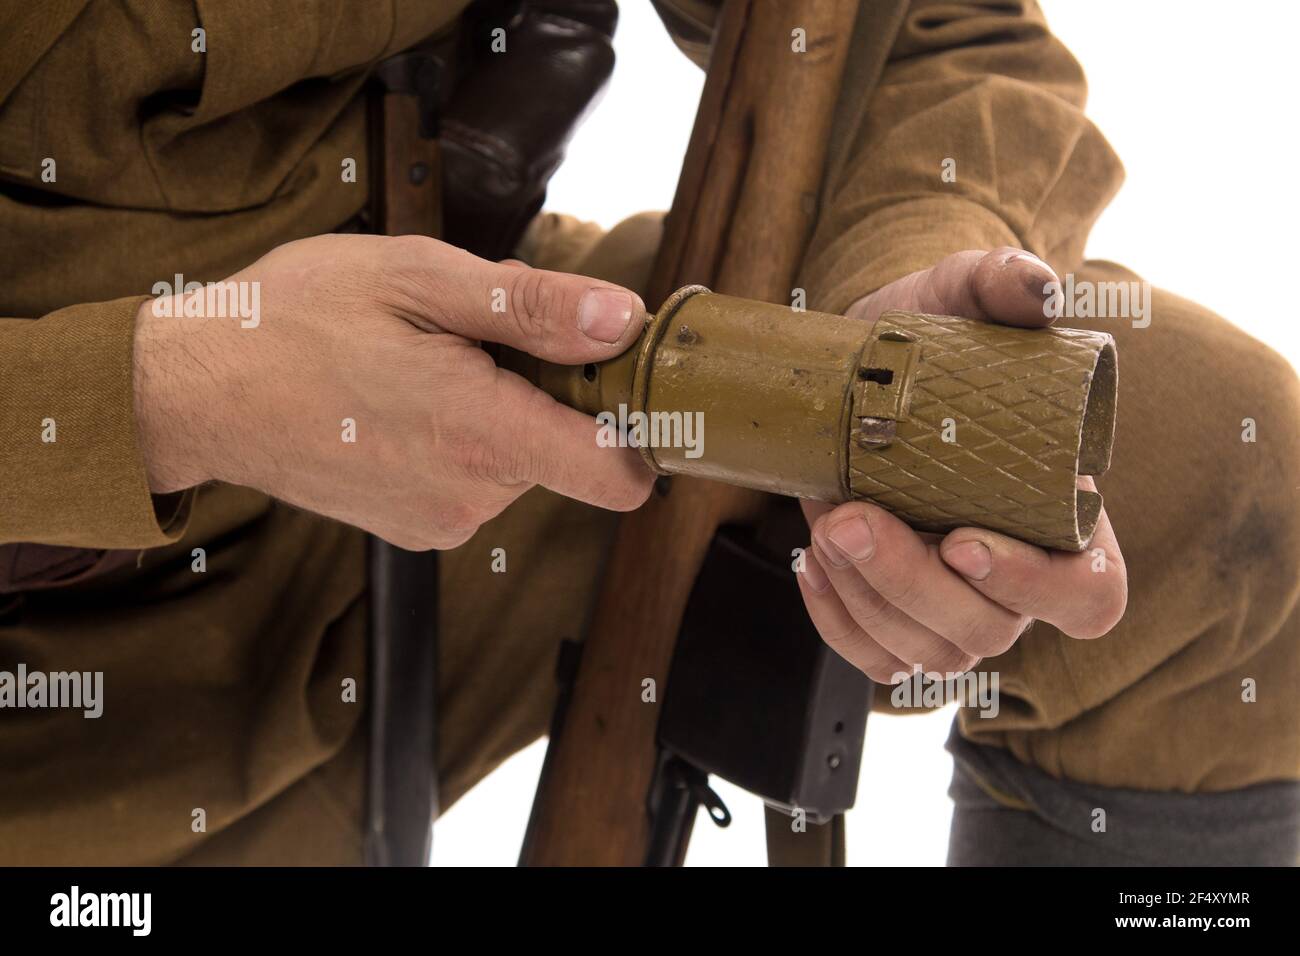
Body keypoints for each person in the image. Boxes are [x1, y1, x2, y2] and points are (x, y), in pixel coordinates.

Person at [0, 0, 1295, 865]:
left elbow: (928, 35)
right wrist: (171, 392)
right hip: (52, 685)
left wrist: (889, 305)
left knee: (1231, 488)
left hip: (451, 394)